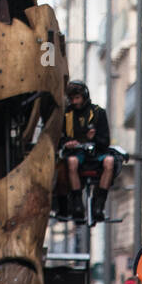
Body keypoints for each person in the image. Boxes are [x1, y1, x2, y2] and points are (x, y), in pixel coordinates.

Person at [59, 79, 115, 224]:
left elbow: (106, 141)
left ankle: (99, 204)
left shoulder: (98, 113)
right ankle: (77, 204)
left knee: (110, 161)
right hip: (76, 154)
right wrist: (67, 144)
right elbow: (60, 139)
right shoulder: (66, 115)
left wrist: (94, 137)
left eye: (77, 98)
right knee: (71, 162)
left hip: (97, 152)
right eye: (72, 99)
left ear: (84, 97)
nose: (75, 102)